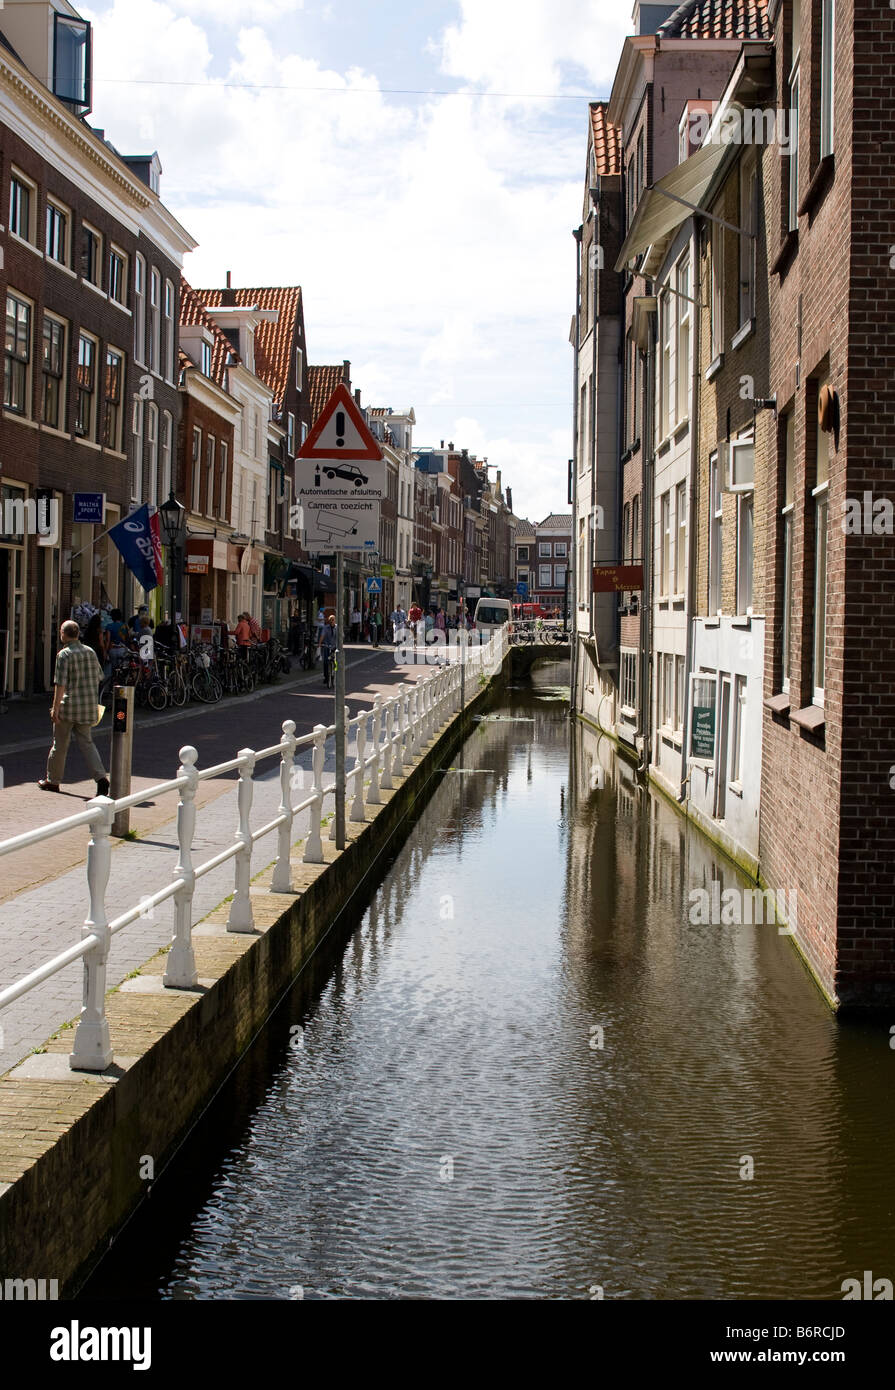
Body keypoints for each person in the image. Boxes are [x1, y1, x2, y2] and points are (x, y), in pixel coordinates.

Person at [39, 621, 110, 796]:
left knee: (60, 745)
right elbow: (100, 676)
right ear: (77, 634)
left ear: (63, 634)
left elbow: (60, 684)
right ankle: (101, 778)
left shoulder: (64, 655)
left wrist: (55, 709)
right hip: (87, 707)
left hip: (68, 707)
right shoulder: (90, 652)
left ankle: (53, 781)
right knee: (87, 743)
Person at [318, 612, 338, 685]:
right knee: (325, 662)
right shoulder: (325, 627)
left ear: (335, 620)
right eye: (330, 620)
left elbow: (341, 636)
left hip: (335, 647)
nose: (332, 621)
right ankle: (326, 677)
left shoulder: (337, 627)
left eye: (333, 620)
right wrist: (320, 644)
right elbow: (322, 636)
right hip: (327, 646)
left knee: (336, 662)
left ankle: (335, 674)